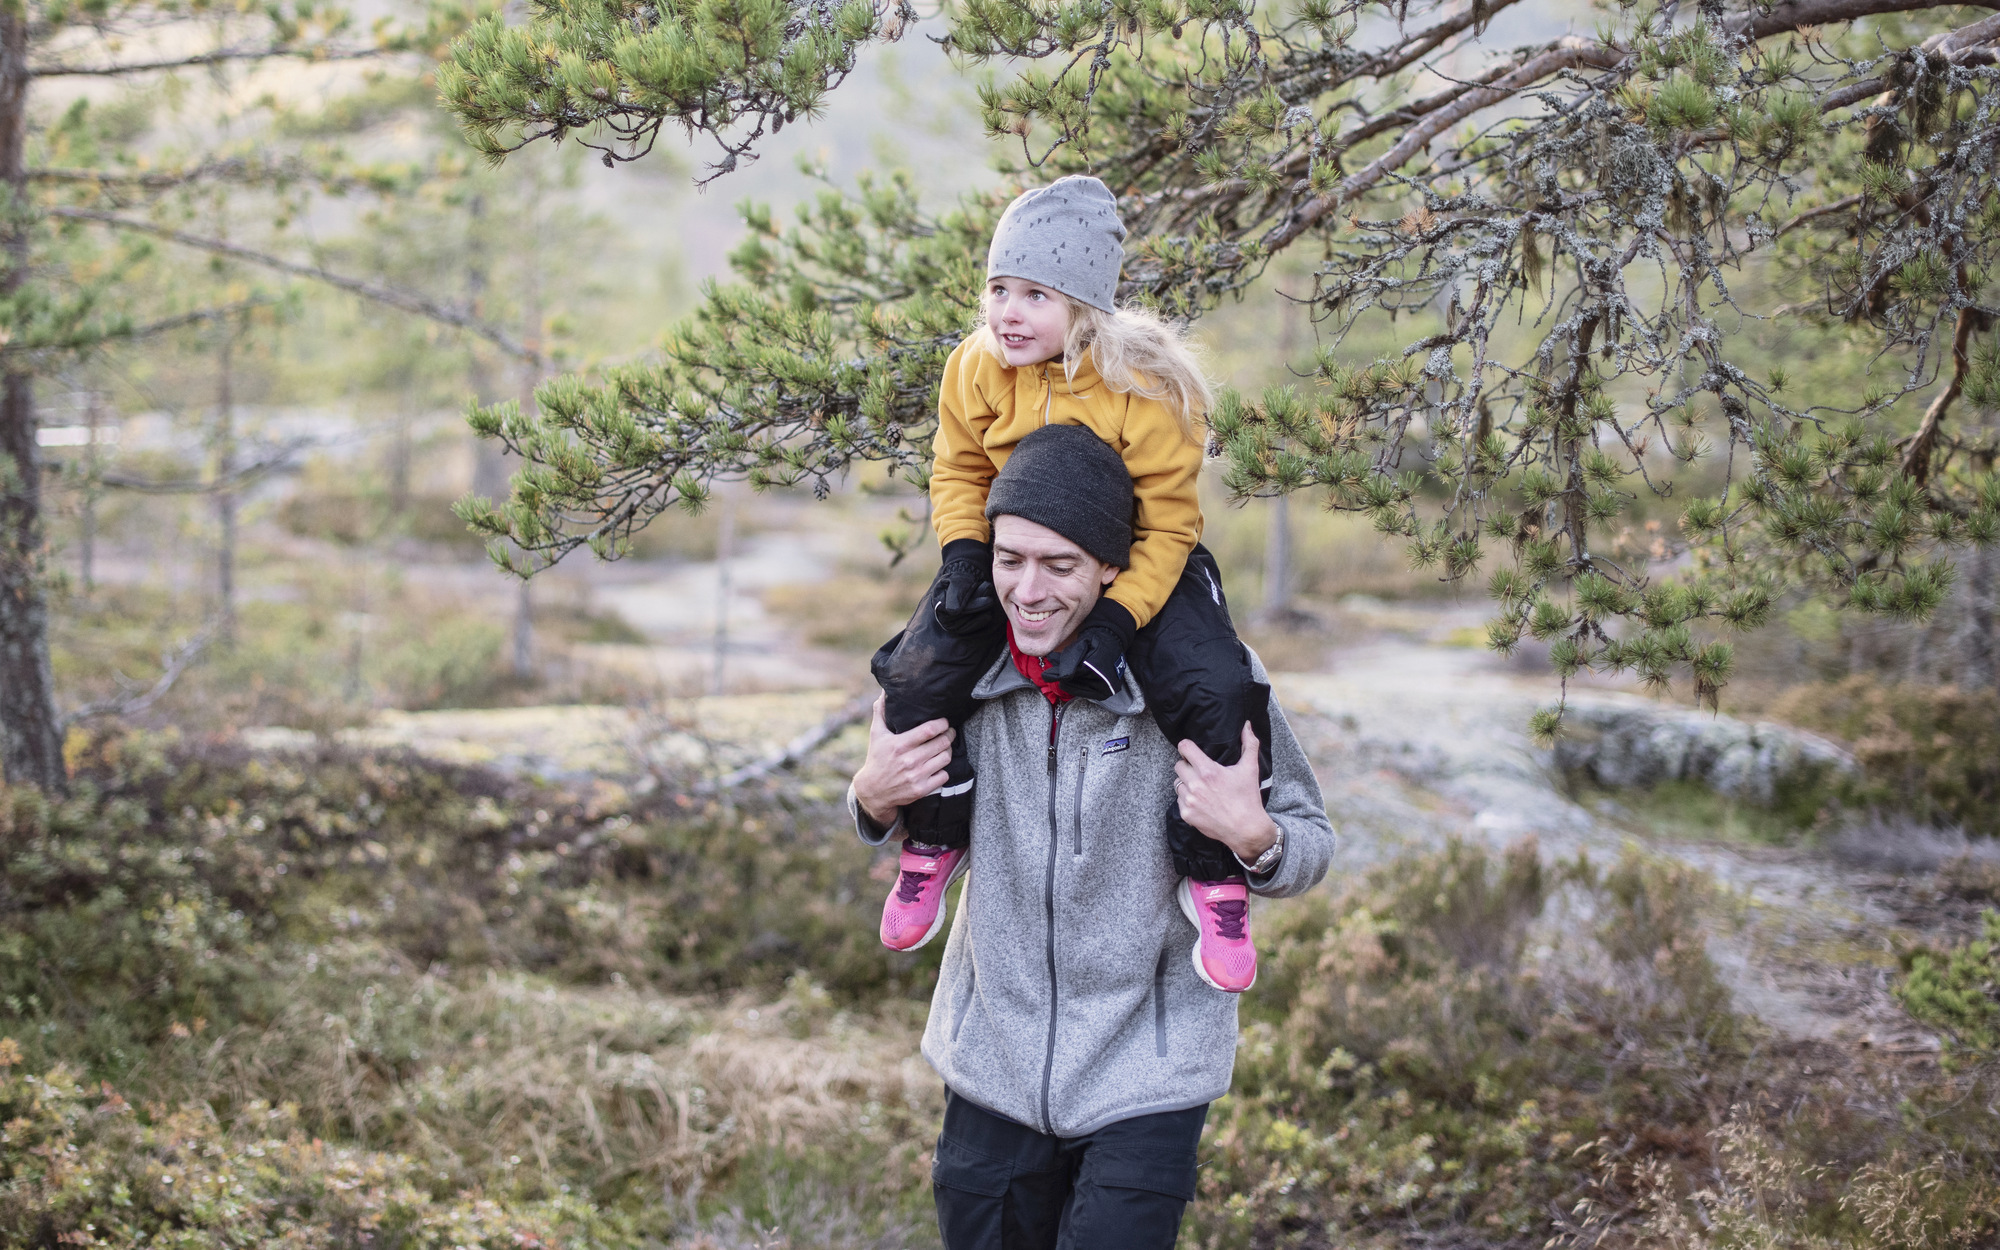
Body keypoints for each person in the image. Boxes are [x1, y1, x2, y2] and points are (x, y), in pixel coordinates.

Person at [847, 440, 1336, 1250]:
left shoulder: (1202, 679)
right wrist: (870, 795)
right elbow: (888, 801)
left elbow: (1310, 838)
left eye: (1059, 565)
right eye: (1010, 560)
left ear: (1112, 567)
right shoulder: (963, 671)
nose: (1027, 591)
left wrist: (1255, 837)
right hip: (991, 1067)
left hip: (1149, 1073)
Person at [872, 173, 1276, 991]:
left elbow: (1169, 523)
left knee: (1213, 685)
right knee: (916, 672)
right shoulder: (974, 368)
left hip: (1145, 560)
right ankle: (934, 835)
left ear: (1086, 307)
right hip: (1012, 552)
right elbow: (958, 469)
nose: (1008, 313)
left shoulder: (1144, 384)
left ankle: (1214, 871)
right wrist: (964, 554)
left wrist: (1120, 621)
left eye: (1036, 295)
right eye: (998, 290)